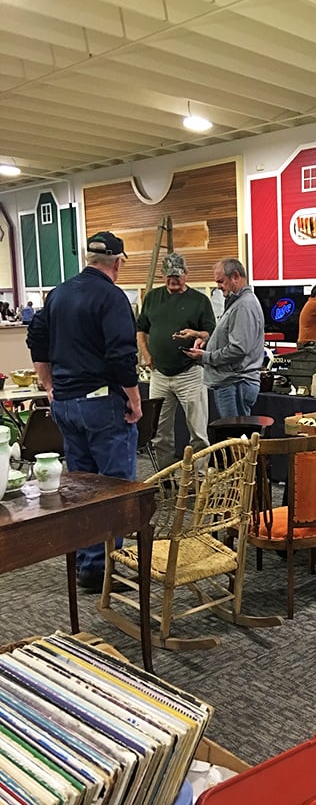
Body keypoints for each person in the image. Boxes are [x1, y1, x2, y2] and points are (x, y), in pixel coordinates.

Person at [26, 230, 141, 593]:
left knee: (80, 486)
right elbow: (122, 354)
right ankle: (104, 568)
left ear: (88, 258)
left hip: (67, 406)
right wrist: (135, 400)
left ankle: (86, 560)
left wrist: (48, 385)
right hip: (103, 404)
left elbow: (36, 338)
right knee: (113, 488)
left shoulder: (59, 293)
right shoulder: (112, 297)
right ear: (118, 263)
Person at [136, 252, 216, 468]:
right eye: (169, 276)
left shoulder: (200, 301)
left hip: (190, 373)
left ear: (186, 274)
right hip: (159, 375)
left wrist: (196, 335)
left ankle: (199, 478)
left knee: (198, 432)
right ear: (162, 275)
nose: (173, 280)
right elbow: (141, 329)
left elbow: (211, 333)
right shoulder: (152, 297)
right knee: (160, 433)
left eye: (177, 276)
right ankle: (165, 478)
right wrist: (147, 354)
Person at [184, 258, 264, 417]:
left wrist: (207, 356)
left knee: (236, 437)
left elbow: (239, 349)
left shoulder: (244, 306)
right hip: (233, 383)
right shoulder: (238, 303)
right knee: (235, 435)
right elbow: (232, 338)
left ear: (235, 276)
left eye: (221, 281)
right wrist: (207, 342)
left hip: (235, 384)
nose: (218, 286)